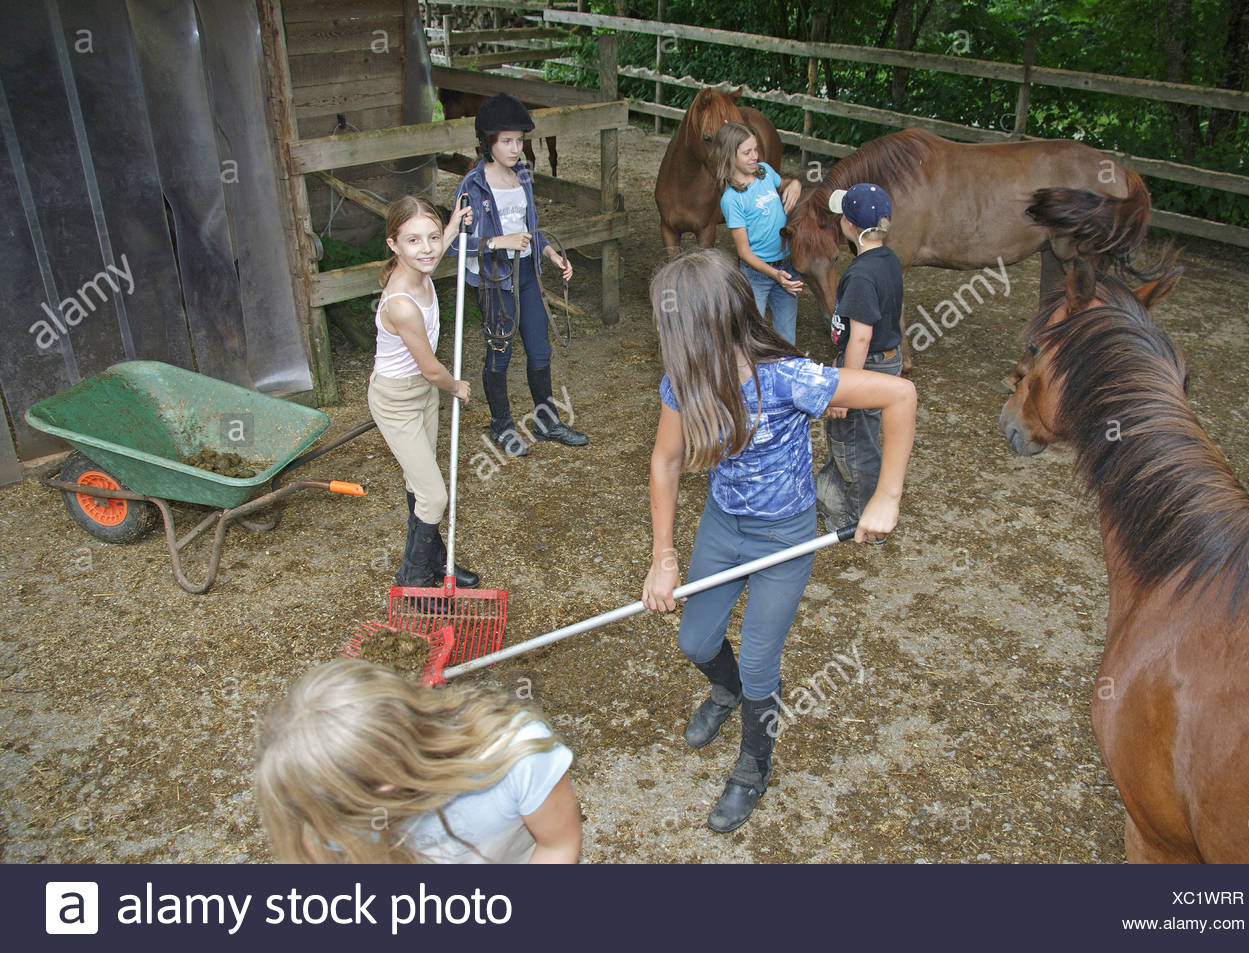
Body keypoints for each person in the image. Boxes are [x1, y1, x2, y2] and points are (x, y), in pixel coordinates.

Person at [641, 249, 916, 833]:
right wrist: (663, 559)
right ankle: (725, 692)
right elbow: (665, 462)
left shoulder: (788, 377)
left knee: (763, 661)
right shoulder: (683, 383)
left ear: (707, 328)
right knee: (695, 641)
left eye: (672, 331)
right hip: (722, 525)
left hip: (782, 539)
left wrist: (885, 497)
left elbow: (901, 397)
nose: (667, 344)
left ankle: (752, 765)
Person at [255, 658, 582, 863]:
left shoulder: (516, 756)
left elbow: (557, 845)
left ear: (385, 785)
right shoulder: (316, 805)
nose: (320, 829)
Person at [453, 92, 587, 457]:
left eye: (520, 141)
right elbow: (455, 246)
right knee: (500, 350)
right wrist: (500, 241)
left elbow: (532, 228)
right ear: (489, 142)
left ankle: (545, 422)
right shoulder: (472, 186)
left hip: (527, 274)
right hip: (496, 280)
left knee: (540, 349)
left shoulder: (522, 177)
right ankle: (501, 425)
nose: (515, 148)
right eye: (507, 141)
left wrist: (550, 254)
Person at [367, 195, 479, 590]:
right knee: (435, 495)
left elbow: (433, 249)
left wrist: (451, 227)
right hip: (397, 399)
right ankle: (412, 579)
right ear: (393, 245)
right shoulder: (402, 304)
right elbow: (432, 368)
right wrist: (458, 387)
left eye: (432, 238)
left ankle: (436, 562)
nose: (427, 248)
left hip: (422, 396)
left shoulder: (421, 265)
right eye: (413, 241)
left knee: (420, 484)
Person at [815, 184, 905, 533]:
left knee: (853, 442)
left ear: (849, 226)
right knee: (850, 434)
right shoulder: (887, 260)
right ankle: (830, 493)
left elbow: (862, 335)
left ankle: (858, 520)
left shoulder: (862, 275)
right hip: (882, 359)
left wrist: (847, 388)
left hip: (865, 364)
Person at [712, 121, 803, 346]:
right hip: (757, 275)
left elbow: (786, 184)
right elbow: (743, 252)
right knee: (753, 338)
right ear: (729, 155)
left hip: (787, 266)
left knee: (787, 338)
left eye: (755, 149)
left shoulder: (764, 171)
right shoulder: (732, 200)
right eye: (746, 152)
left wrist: (796, 184)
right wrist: (774, 275)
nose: (754, 156)